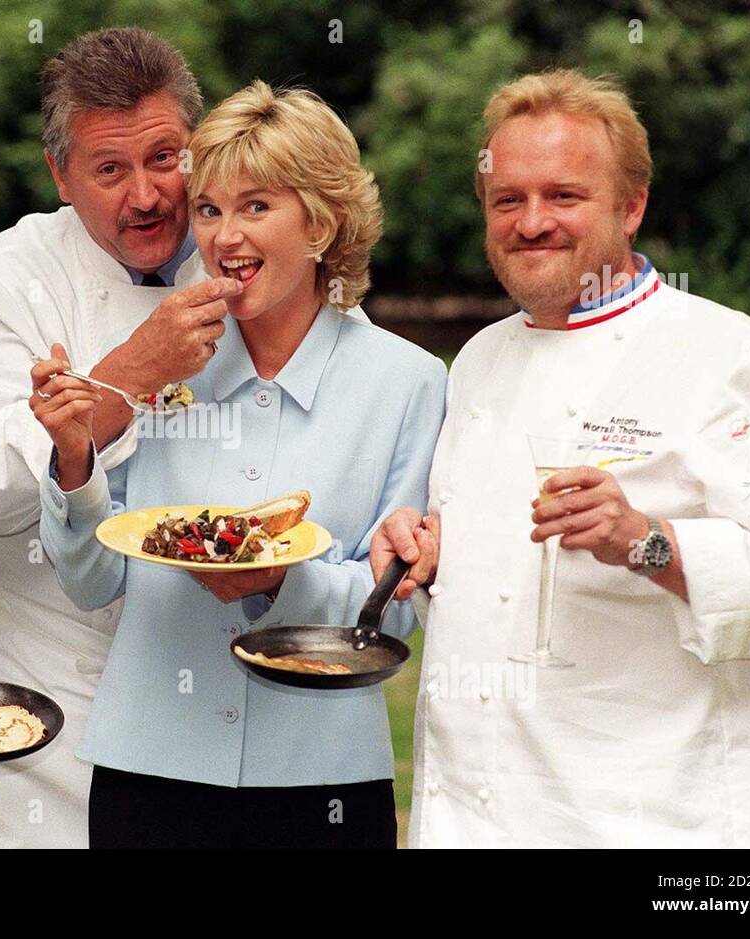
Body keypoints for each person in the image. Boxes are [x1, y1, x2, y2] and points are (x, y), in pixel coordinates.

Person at [370, 69, 750, 848]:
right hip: (469, 821)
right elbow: (503, 574)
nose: (532, 221)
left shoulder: (725, 355)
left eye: (563, 195)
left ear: (631, 205)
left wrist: (648, 541)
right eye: (507, 199)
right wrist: (432, 554)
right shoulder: (480, 359)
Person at [31, 81, 447, 848]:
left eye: (256, 207)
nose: (223, 237)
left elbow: (396, 606)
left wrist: (284, 579)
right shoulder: (162, 359)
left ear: (321, 222)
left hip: (323, 782)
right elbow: (90, 578)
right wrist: (74, 454)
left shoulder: (410, 382)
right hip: (147, 774)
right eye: (210, 209)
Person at [0, 27, 245, 847]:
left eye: (165, 159)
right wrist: (127, 375)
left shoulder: (256, 257)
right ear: (61, 176)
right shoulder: (4, 279)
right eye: (110, 170)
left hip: (227, 689)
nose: (145, 196)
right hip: (51, 711)